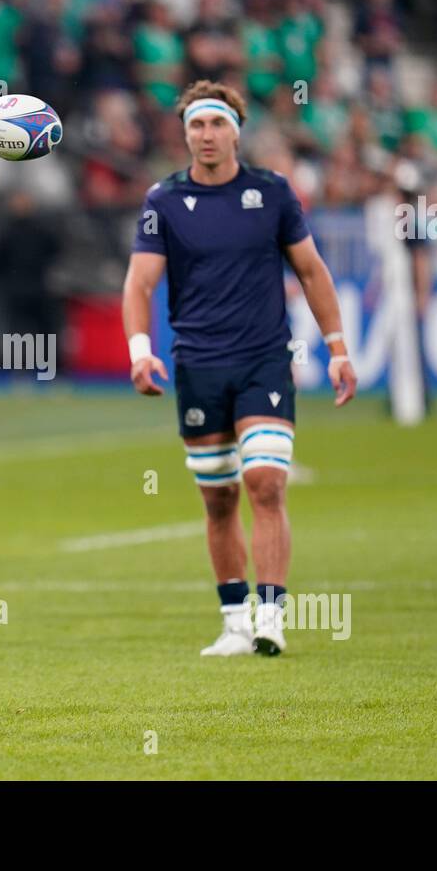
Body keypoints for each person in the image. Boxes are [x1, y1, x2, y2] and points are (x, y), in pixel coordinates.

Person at [121, 80, 357, 658]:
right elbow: (140, 281)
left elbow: (313, 272)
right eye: (197, 125)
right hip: (198, 366)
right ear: (185, 133)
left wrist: (338, 348)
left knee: (266, 482)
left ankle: (271, 615)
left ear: (237, 130)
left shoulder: (273, 194)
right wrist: (138, 349)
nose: (206, 135)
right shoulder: (165, 201)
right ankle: (234, 623)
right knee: (218, 497)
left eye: (217, 124)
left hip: (263, 362)